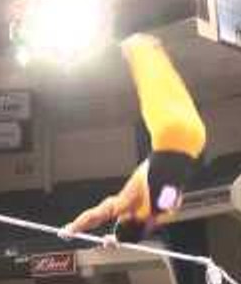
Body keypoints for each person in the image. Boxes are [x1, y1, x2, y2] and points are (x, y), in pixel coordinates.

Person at [61, 34, 207, 244]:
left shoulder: (165, 211)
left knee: (172, 87)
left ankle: (154, 51)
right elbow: (96, 216)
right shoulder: (128, 202)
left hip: (195, 139)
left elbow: (147, 224)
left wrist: (118, 238)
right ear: (125, 217)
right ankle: (139, 46)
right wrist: (72, 228)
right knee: (151, 87)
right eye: (120, 219)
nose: (119, 216)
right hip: (168, 134)